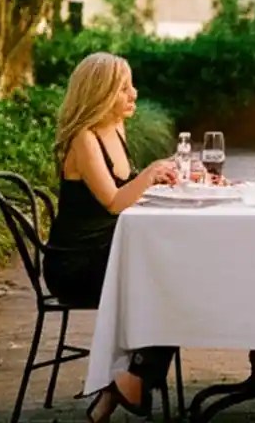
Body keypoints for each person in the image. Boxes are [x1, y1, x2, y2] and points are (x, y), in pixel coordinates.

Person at [43, 52, 179, 422]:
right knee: (172, 284)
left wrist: (163, 180)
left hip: (108, 252)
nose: (133, 93)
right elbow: (115, 201)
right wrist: (150, 172)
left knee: (178, 276)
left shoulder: (116, 129)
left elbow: (125, 192)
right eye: (123, 88)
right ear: (100, 94)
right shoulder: (84, 140)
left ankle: (124, 385)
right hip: (76, 263)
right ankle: (134, 377)